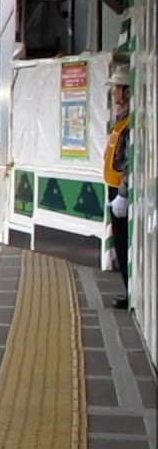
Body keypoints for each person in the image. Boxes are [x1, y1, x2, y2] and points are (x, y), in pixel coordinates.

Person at [103, 68, 131, 309]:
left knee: (124, 242)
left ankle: (131, 290)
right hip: (114, 190)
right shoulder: (121, 120)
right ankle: (128, 288)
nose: (114, 93)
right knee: (120, 242)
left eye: (117, 88)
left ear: (127, 91)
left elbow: (129, 160)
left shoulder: (130, 123)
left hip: (123, 192)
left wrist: (122, 192)